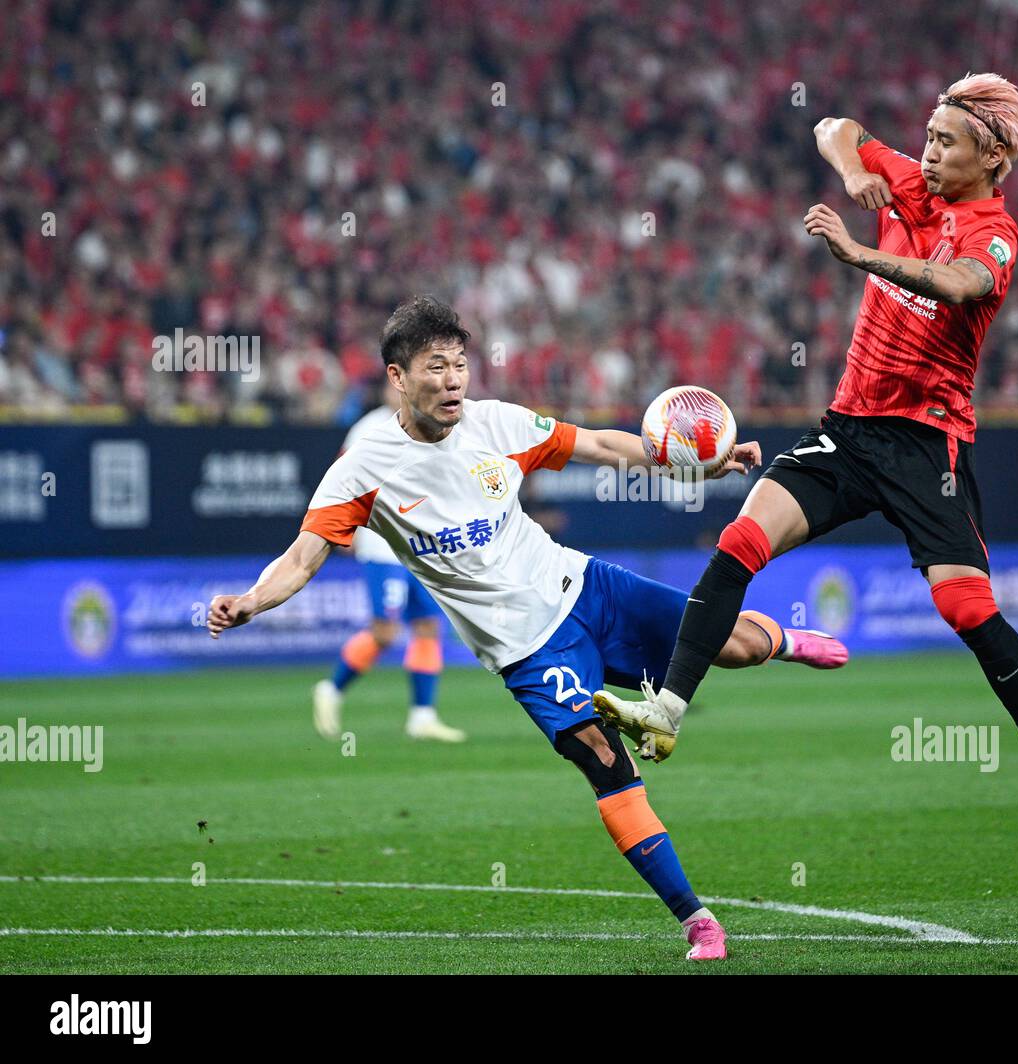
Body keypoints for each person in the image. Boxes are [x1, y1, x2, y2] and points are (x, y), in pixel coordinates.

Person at [207, 295, 848, 960]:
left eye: (460, 364)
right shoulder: (362, 470)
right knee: (603, 757)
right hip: (528, 652)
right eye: (436, 367)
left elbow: (598, 443)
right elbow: (302, 557)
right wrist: (252, 601)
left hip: (586, 587)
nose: (454, 379)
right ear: (398, 377)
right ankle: (697, 919)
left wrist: (695, 462)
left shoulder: (497, 424)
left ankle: (788, 642)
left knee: (735, 645)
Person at [594, 73, 1018, 853]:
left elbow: (956, 284)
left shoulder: (994, 233)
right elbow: (834, 124)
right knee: (740, 540)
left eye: (945, 143)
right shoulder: (907, 184)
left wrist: (861, 254)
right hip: (851, 431)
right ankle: (669, 711)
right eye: (926, 137)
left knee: (966, 611)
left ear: (994, 159)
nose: (926, 154)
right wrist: (857, 170)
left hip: (928, 445)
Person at [313, 391, 466, 743]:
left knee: (428, 625)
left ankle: (422, 716)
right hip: (382, 545)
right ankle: (331, 688)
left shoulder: (430, 424)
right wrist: (345, 530)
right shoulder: (368, 428)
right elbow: (343, 480)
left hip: (420, 544)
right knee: (385, 631)